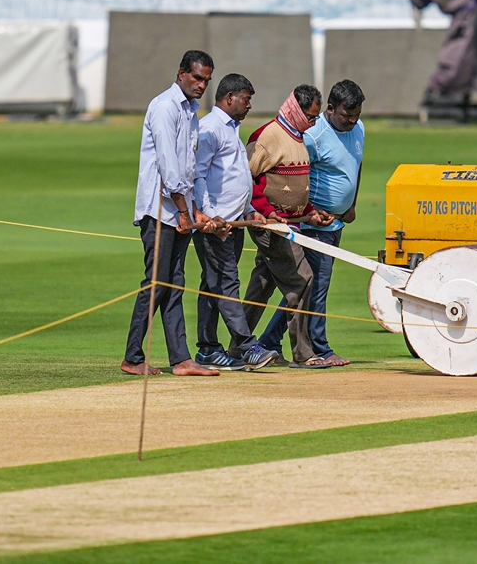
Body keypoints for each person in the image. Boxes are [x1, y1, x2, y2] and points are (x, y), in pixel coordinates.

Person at [123, 50, 221, 378]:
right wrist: (183, 212)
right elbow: (168, 167)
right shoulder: (165, 107)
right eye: (197, 78)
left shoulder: (190, 111)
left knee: (174, 284)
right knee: (156, 284)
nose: (202, 85)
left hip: (179, 210)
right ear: (181, 73)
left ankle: (181, 359)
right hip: (159, 210)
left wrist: (192, 211)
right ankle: (133, 357)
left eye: (206, 79)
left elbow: (188, 169)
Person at [258, 80, 366, 366]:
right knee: (314, 286)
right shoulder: (314, 135)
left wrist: (352, 203)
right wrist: (311, 210)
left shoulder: (358, 128)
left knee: (303, 287)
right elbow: (295, 175)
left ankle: (268, 340)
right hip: (313, 224)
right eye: (346, 115)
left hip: (337, 223)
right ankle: (318, 347)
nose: (352, 121)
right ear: (330, 109)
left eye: (356, 115)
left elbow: (357, 164)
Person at [240, 85, 335, 369]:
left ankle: (238, 343)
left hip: (290, 224)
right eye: (311, 116)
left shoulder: (298, 136)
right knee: (302, 278)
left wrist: (310, 213)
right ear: (296, 110)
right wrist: (265, 213)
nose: (314, 123)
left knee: (263, 284)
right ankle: (303, 353)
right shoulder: (267, 136)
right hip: (269, 225)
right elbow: (246, 179)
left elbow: (293, 186)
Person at [191, 73, 277, 371]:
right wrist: (208, 214)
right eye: (246, 99)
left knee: (213, 284)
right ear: (229, 98)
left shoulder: (231, 130)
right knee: (226, 282)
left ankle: (207, 349)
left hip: (233, 223)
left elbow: (234, 179)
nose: (249, 105)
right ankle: (245, 344)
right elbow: (197, 175)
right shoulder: (211, 129)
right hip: (215, 225)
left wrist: (249, 210)